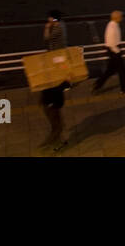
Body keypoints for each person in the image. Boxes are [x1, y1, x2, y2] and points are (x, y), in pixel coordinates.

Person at [39, 10, 70, 151]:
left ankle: (53, 144)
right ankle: (54, 144)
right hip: (58, 57)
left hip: (57, 56)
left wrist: (46, 28)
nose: (48, 20)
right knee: (57, 124)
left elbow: (47, 39)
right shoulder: (61, 25)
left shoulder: (56, 28)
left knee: (57, 125)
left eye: (50, 17)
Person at [93, 10, 125, 94]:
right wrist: (118, 51)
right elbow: (111, 43)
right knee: (122, 71)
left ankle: (98, 83)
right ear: (117, 18)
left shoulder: (112, 24)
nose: (122, 18)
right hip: (114, 51)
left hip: (113, 50)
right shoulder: (112, 27)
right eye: (121, 16)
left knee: (110, 70)